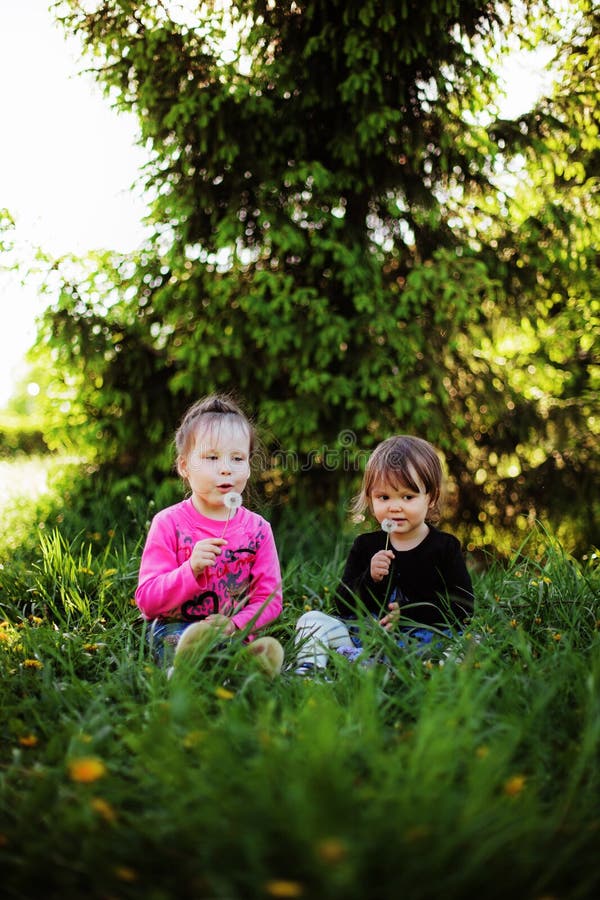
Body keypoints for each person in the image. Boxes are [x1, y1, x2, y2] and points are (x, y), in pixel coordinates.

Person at [294, 435, 474, 674]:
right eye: (384, 497)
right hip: (366, 638)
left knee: (472, 642)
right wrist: (370, 578)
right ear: (370, 499)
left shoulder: (444, 547)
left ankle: (420, 670)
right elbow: (343, 605)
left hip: (426, 640)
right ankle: (309, 672)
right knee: (312, 620)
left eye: (408, 497)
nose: (394, 506)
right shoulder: (366, 546)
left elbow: (463, 607)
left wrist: (409, 612)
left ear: (431, 498)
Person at [136, 394, 284, 677]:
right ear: (184, 466)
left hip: (231, 629)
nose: (226, 467)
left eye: (237, 458)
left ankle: (243, 667)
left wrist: (235, 624)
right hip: (177, 627)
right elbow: (147, 600)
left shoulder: (258, 530)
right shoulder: (169, 523)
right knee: (178, 642)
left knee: (234, 645)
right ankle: (185, 670)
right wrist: (190, 569)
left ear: (249, 465)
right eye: (212, 457)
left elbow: (270, 598)